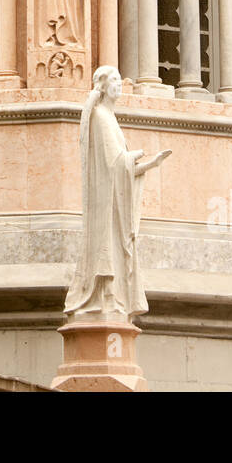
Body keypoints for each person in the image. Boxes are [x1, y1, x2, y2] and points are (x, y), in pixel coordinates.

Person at [64, 66, 171, 319]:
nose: (118, 84)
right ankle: (106, 296)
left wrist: (151, 164)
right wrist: (134, 156)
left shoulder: (110, 117)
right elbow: (114, 163)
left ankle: (113, 298)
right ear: (102, 85)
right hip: (107, 202)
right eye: (113, 80)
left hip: (115, 198)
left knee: (115, 248)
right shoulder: (100, 116)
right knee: (107, 247)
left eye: (119, 80)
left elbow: (123, 168)